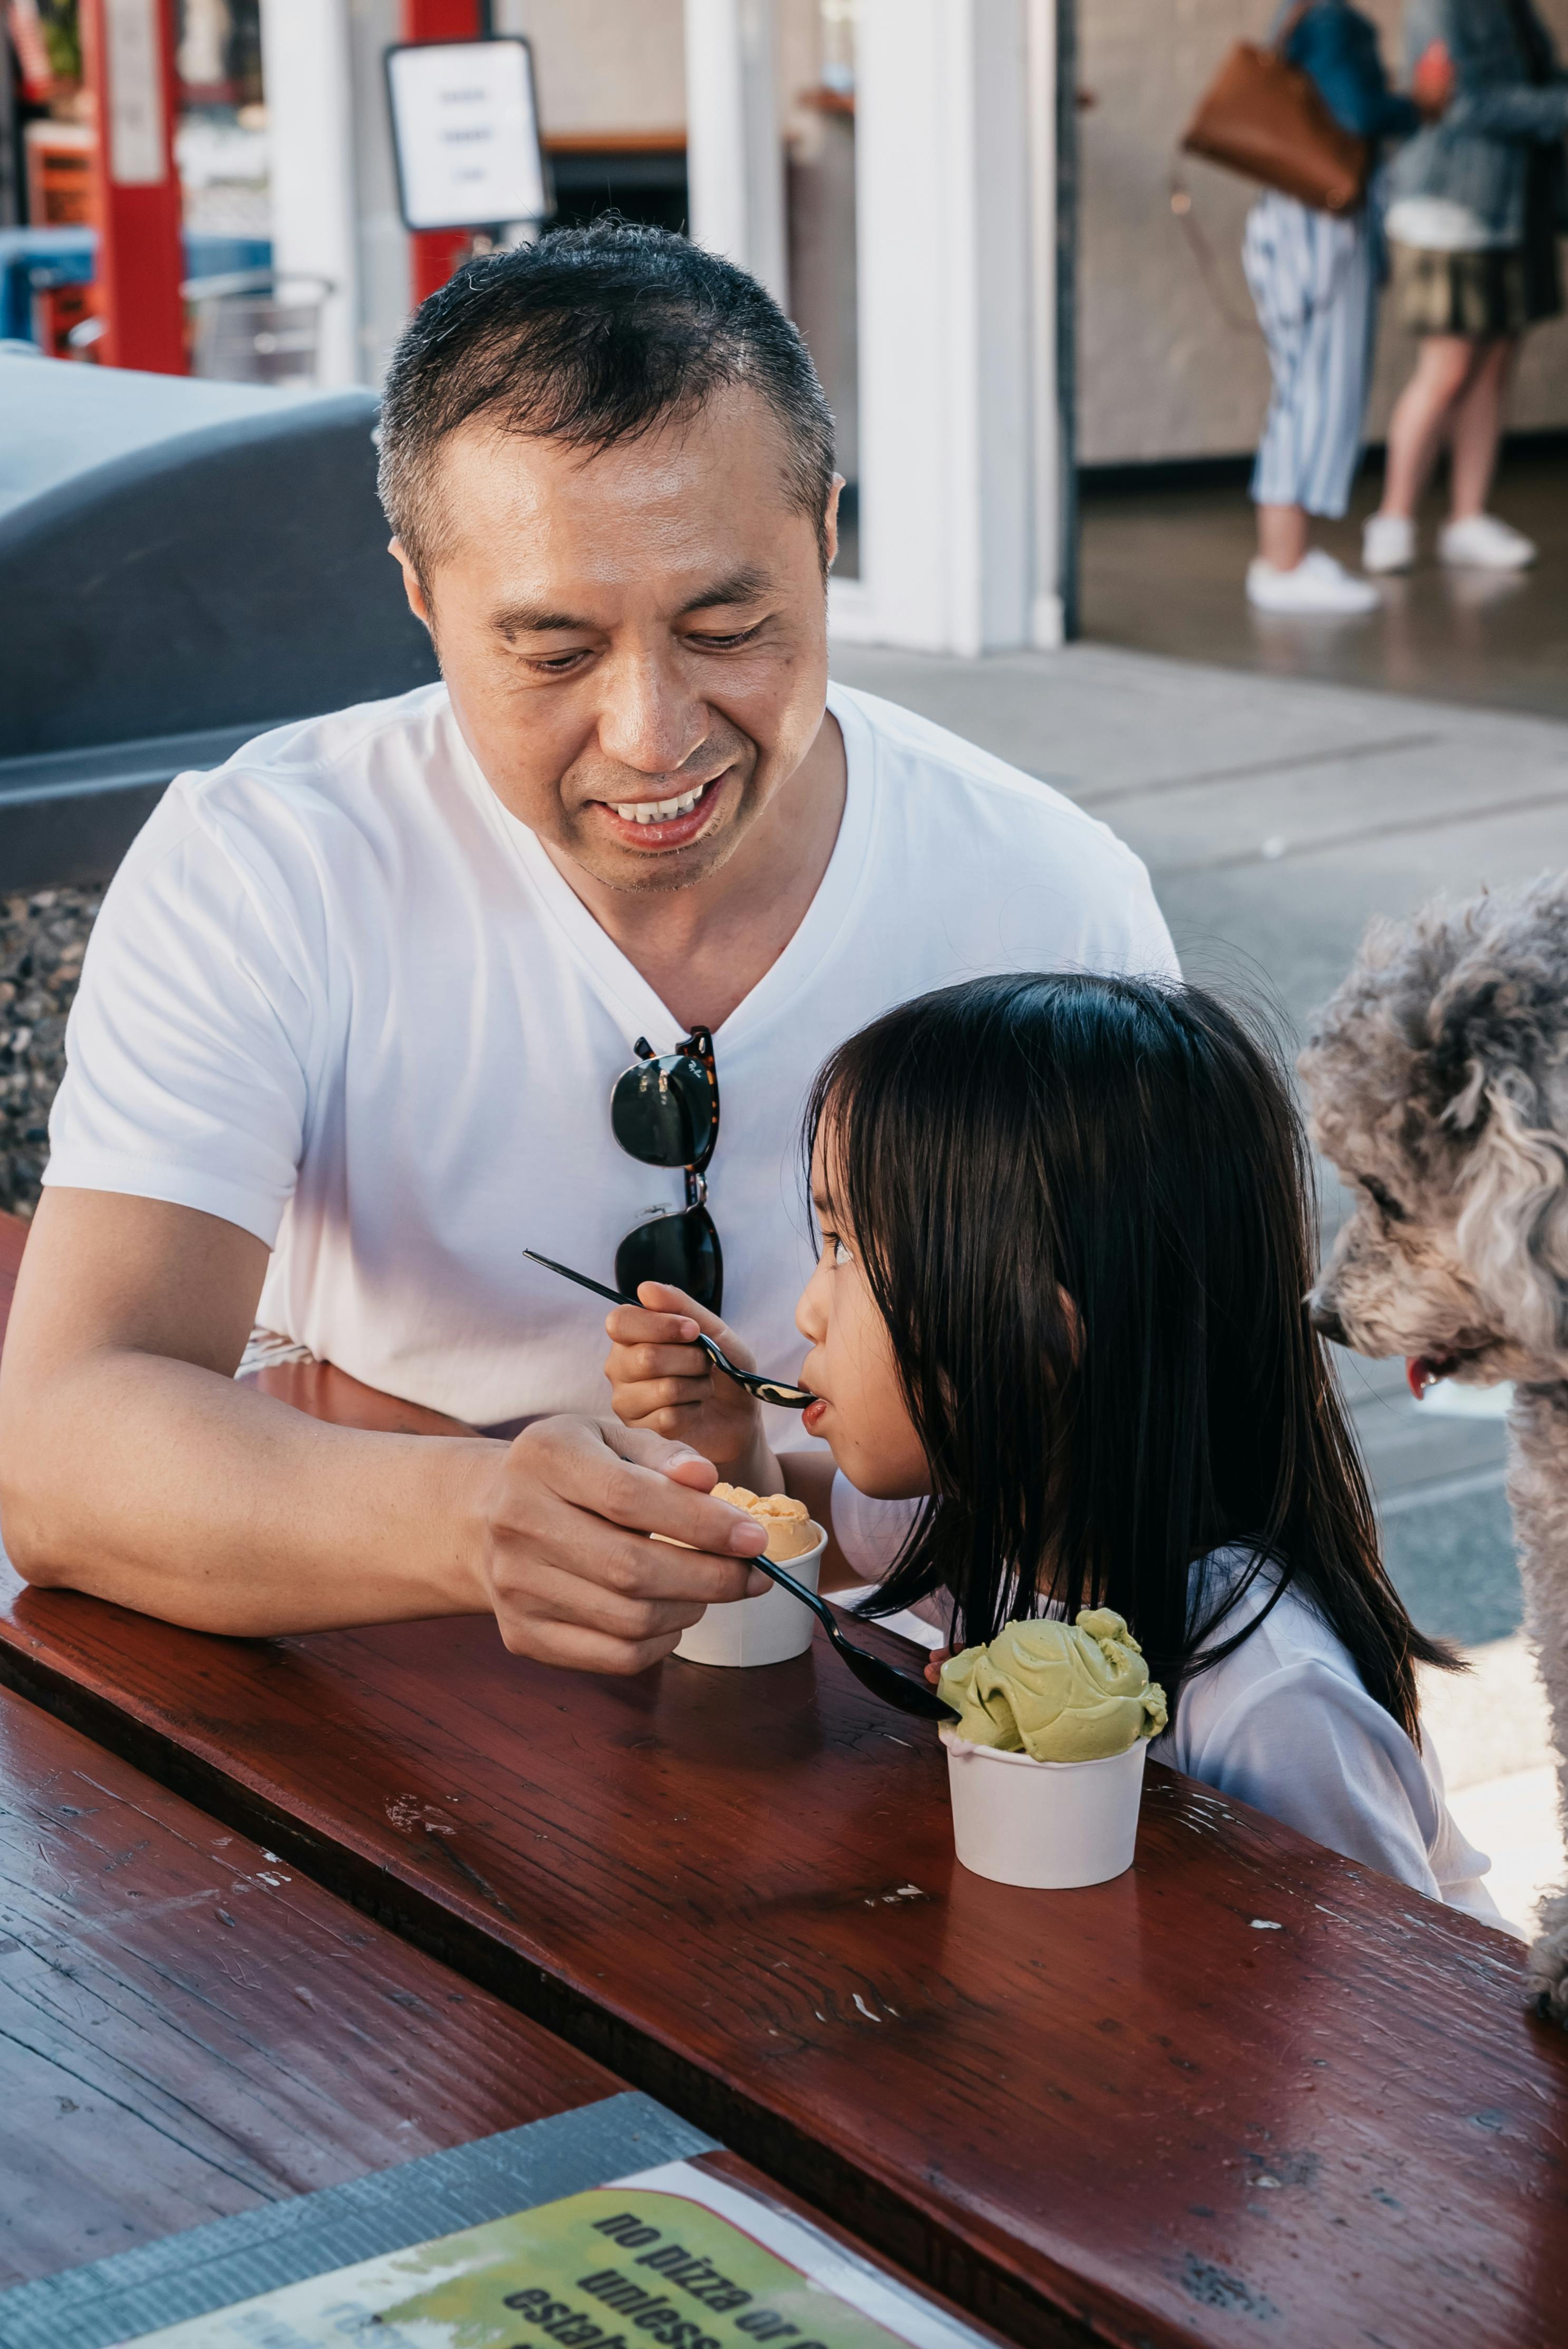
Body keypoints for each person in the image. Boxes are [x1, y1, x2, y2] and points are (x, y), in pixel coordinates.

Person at [0, 225, 1177, 1675]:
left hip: (909, 1700)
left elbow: (1168, 1434)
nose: (650, 733)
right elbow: (61, 1439)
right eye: (553, 654)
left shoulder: (1045, 894)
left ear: (822, 533)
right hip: (372, 1652)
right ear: (422, 598)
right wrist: (468, 1515)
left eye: (727, 622)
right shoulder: (269, 861)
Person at [605, 973, 1504, 1918]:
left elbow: (1403, 2008)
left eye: (845, 1249)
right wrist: (731, 1440)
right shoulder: (978, 1517)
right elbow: (794, 1524)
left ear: (1039, 1332)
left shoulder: (1268, 1701)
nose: (806, 1308)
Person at [1243, 0, 1450, 614]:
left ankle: (1287, 557)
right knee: (1312, 394)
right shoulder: (1330, 21)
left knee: (1306, 389)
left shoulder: (1304, 16)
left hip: (1301, 225)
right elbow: (1355, 112)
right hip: (1318, 229)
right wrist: (1420, 105)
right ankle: (1282, 565)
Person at [1364, 0, 1568, 574]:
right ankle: (1393, 518)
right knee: (1448, 369)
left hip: (1513, 205)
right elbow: (1463, 104)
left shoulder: (1513, 8)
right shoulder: (1442, 6)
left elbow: (1539, 79)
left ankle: (1467, 517)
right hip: (1453, 206)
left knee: (1494, 363)